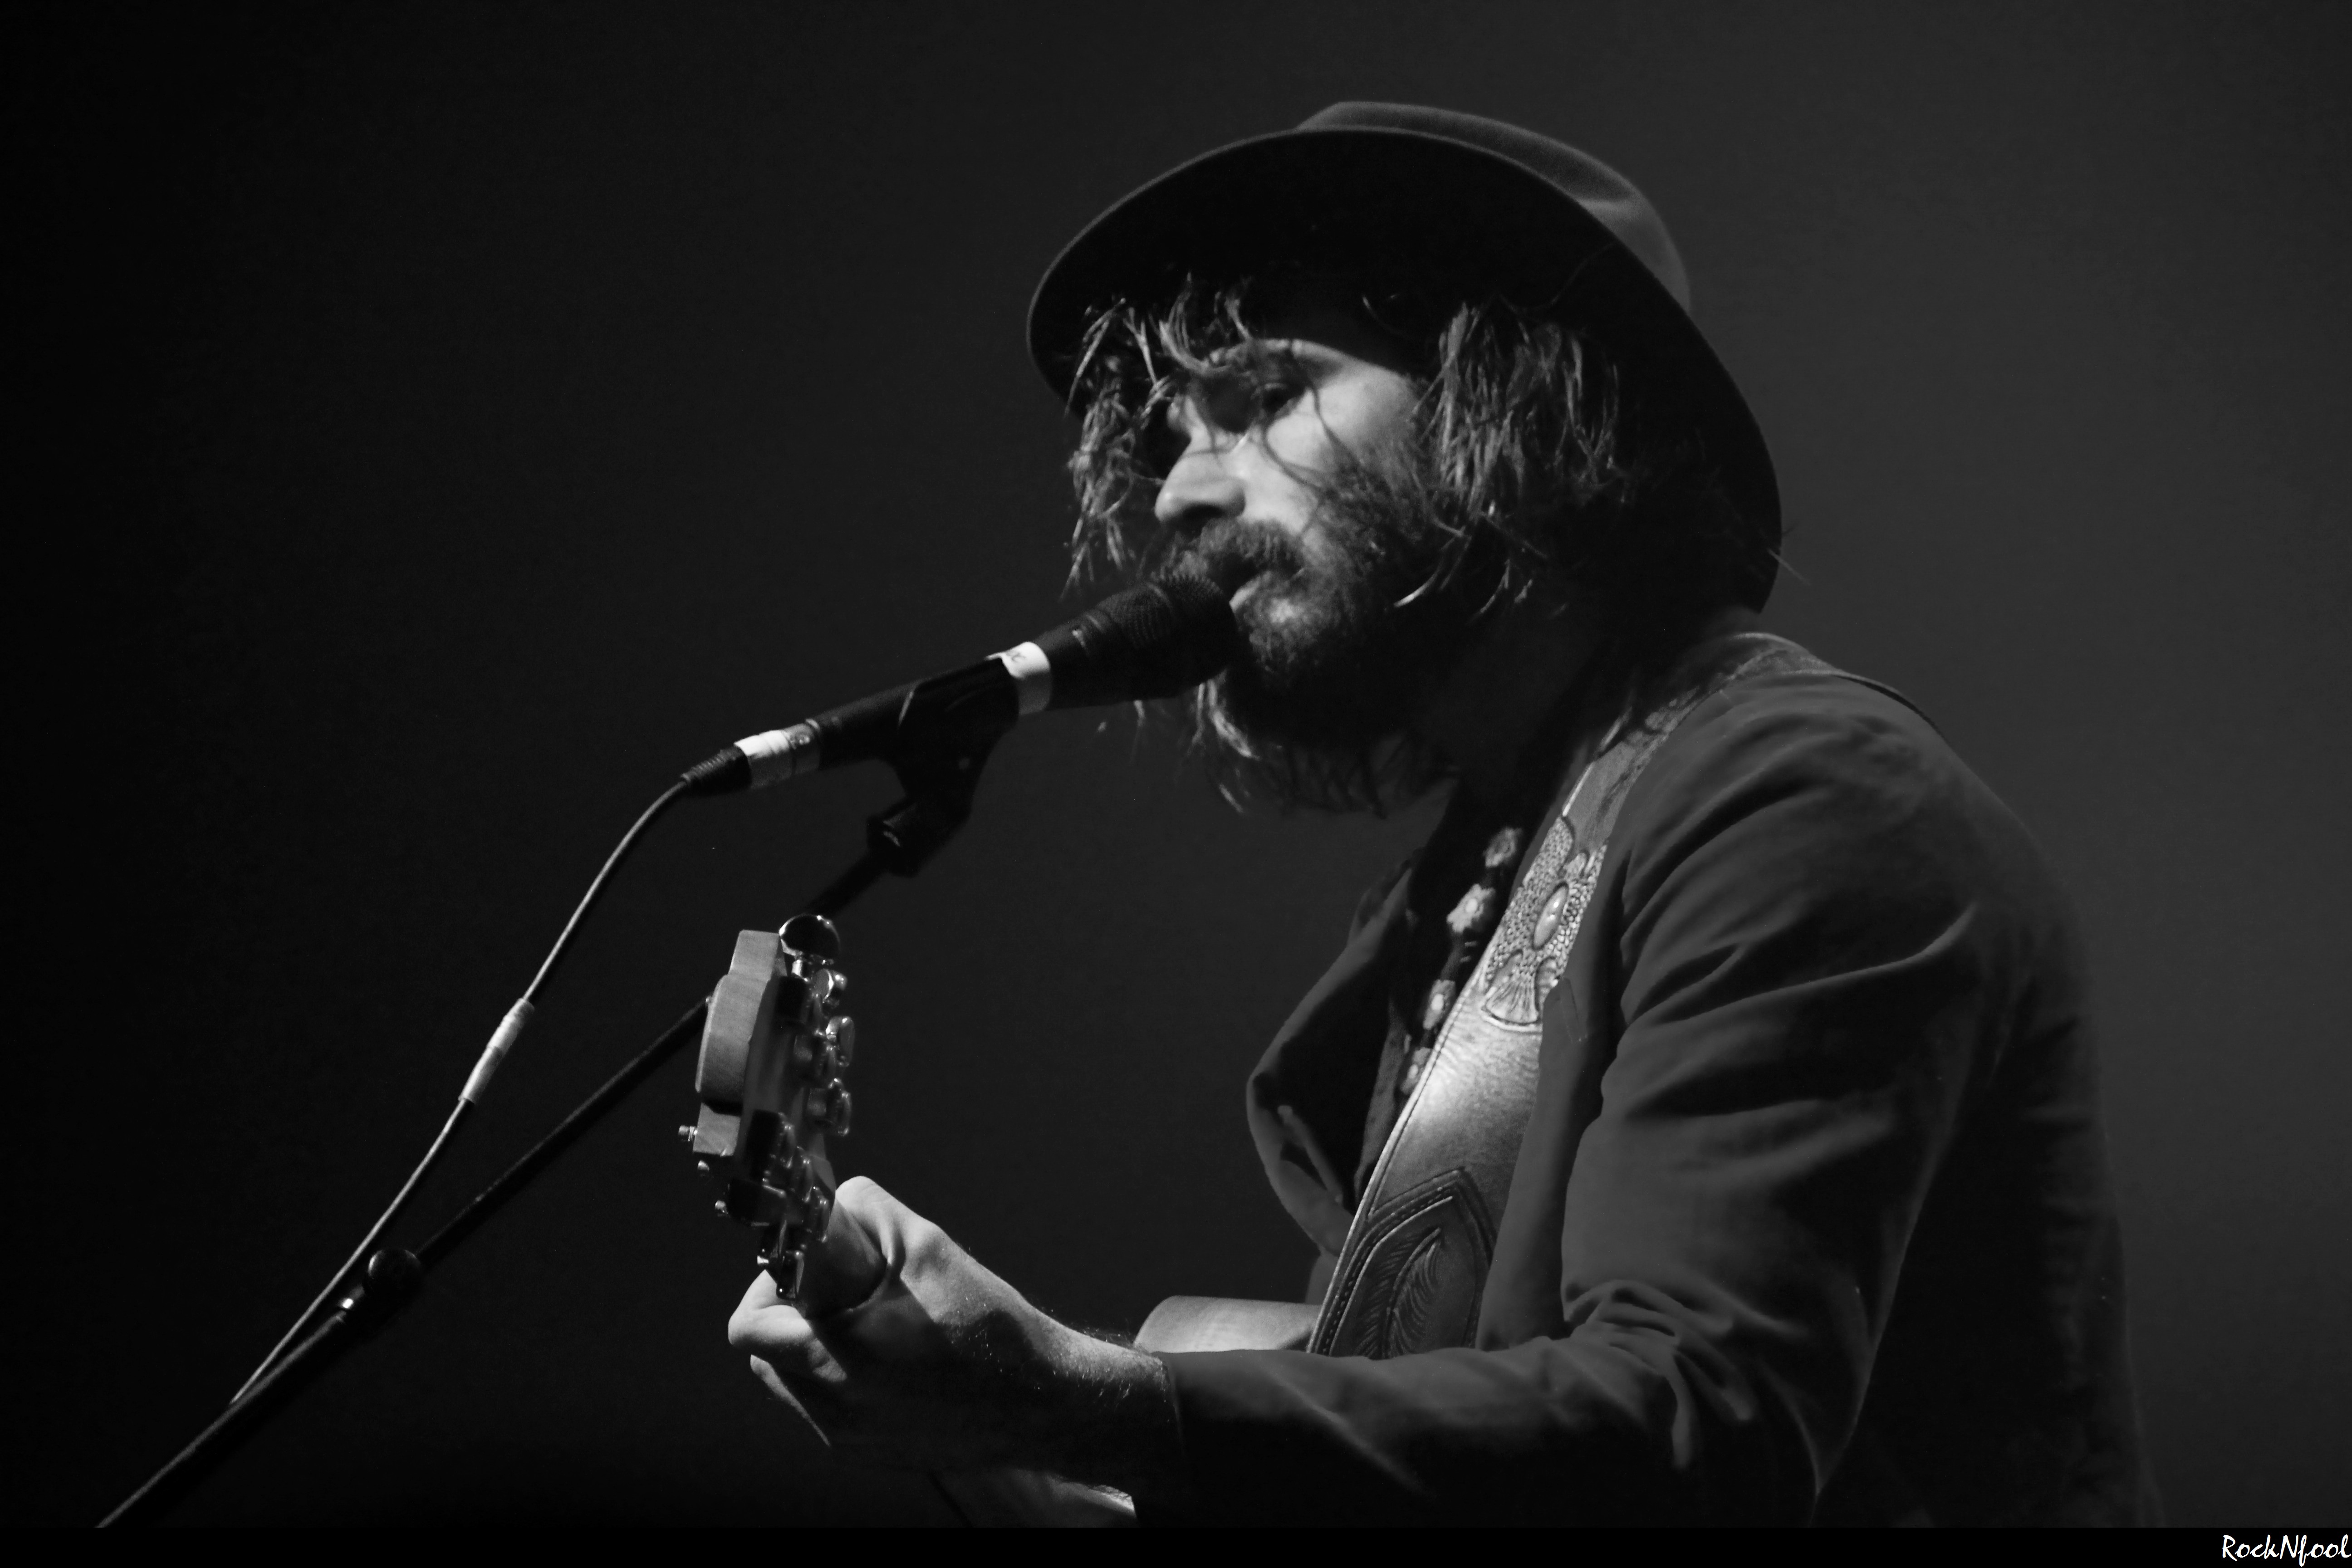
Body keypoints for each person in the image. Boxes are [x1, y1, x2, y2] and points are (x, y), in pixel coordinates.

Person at [725, 103, 2159, 1526]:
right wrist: (1034, 1445)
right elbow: (1465, 1443)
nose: (1180, 490)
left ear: (1513, 405)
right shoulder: (1470, 881)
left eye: (1265, 394)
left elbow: (1696, 1430)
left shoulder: (1801, 796)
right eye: (1174, 430)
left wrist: (1079, 1398)